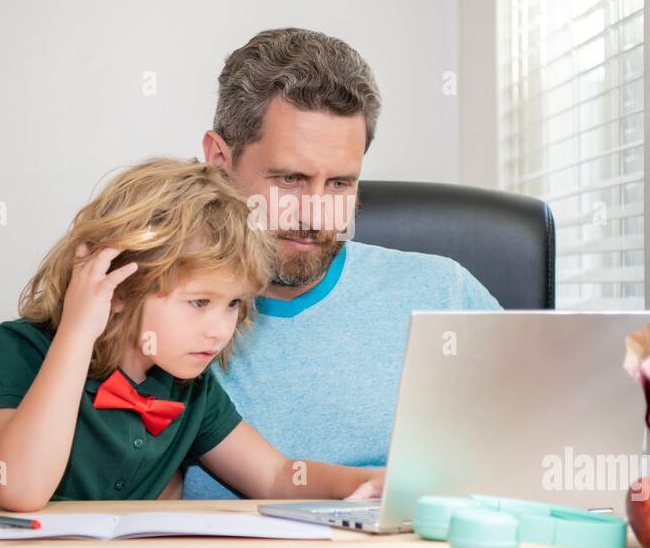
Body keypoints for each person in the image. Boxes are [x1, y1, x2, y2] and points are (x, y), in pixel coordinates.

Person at [0, 157, 384, 510]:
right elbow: (19, 489)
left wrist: (372, 483)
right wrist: (79, 333)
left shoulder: (190, 389)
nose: (220, 329)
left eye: (233, 304)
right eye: (199, 303)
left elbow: (278, 477)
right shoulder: (21, 349)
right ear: (119, 285)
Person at [183, 27, 502, 500]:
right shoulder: (161, 306)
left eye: (339, 184)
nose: (315, 215)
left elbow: (551, 441)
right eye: (290, 178)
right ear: (219, 160)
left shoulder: (443, 294)